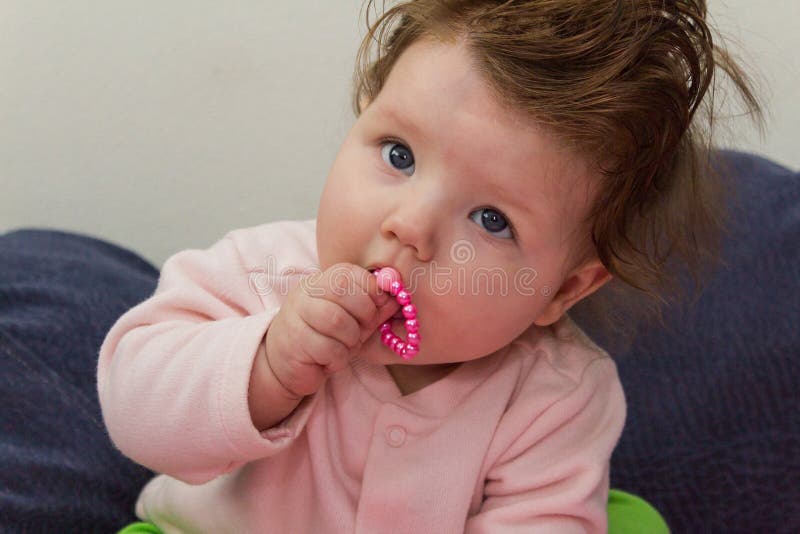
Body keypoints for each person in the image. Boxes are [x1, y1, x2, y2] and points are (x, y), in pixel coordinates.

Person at [100, 1, 760, 532]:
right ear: (364, 111)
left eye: (491, 219)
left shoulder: (559, 396)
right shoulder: (262, 272)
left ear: (564, 288)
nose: (410, 226)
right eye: (399, 155)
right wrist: (268, 366)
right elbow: (134, 412)